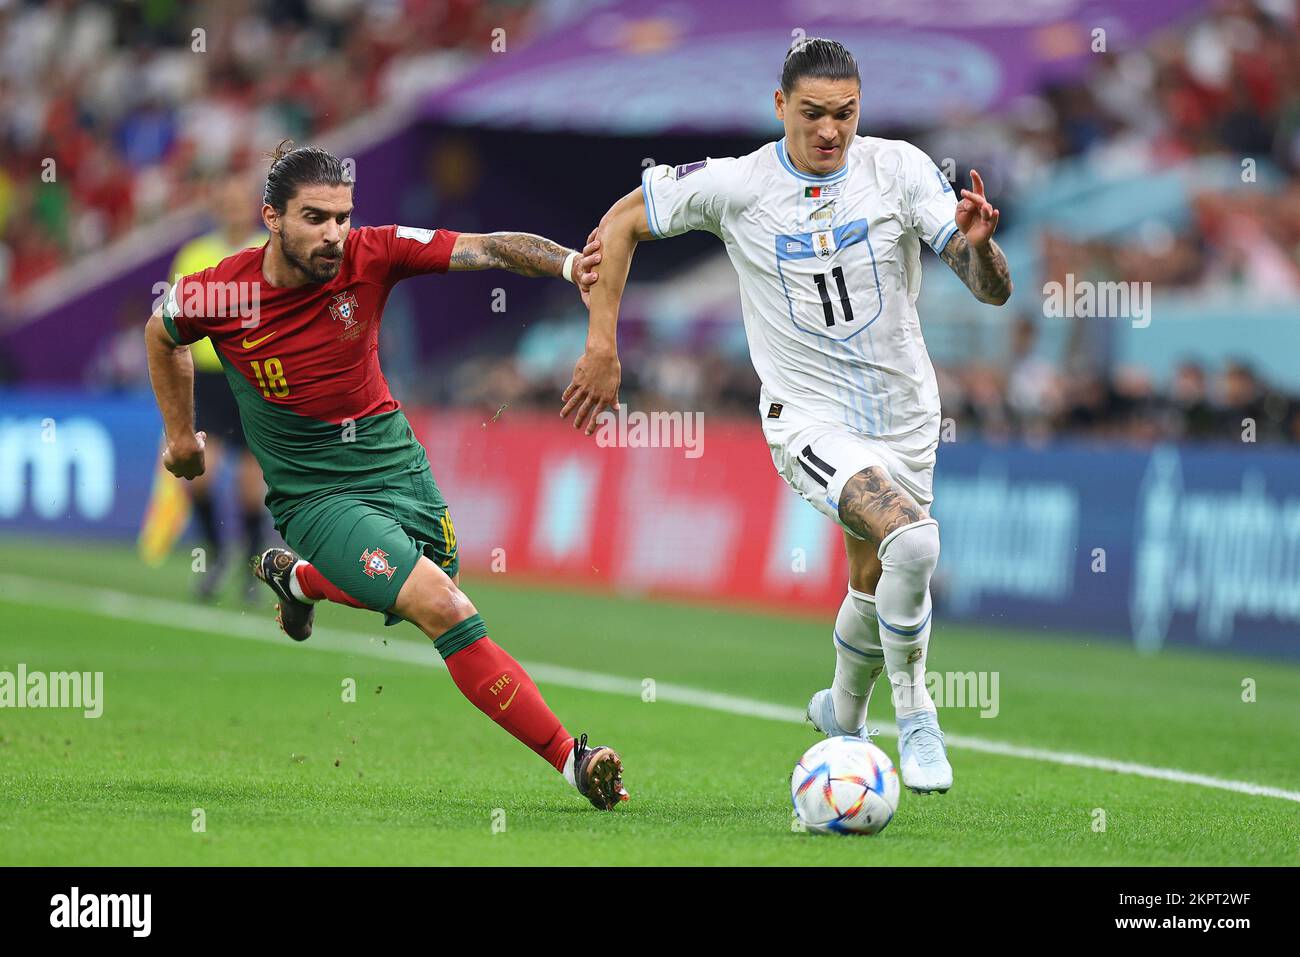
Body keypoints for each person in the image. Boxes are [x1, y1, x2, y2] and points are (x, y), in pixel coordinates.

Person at [562, 39, 1013, 795]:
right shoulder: (739, 186)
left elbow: (991, 290)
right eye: (812, 114)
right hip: (807, 420)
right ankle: (917, 714)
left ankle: (841, 708)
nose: (830, 130)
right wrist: (602, 345)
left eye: (845, 113)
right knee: (914, 542)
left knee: (875, 578)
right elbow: (621, 220)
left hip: (904, 415)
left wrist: (981, 249)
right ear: (781, 108)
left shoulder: (898, 168)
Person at [143, 141, 627, 810]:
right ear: (272, 218)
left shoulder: (375, 252)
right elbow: (161, 332)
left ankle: (298, 578)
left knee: (438, 574)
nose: (334, 234)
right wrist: (180, 436)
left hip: (396, 460)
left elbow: (485, 248)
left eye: (342, 216)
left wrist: (571, 264)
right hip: (317, 494)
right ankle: (573, 758)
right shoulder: (222, 290)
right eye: (315, 217)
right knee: (441, 605)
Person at [168, 172, 270, 601]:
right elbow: (172, 320)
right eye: (225, 202)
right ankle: (214, 555)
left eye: (239, 201)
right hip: (207, 380)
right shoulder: (196, 254)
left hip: (252, 377)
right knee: (200, 478)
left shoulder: (270, 251)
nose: (233, 209)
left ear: (254, 207)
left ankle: (252, 567)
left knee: (251, 484)